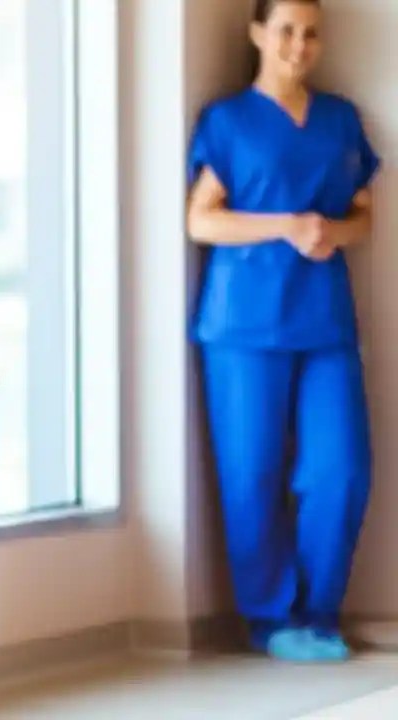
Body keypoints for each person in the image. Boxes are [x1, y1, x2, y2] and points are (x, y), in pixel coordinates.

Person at [187, 0, 382, 663]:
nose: (299, 46)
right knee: (252, 474)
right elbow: (201, 221)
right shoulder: (229, 121)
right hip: (241, 325)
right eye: (286, 31)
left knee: (342, 469)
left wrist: (334, 232)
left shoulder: (339, 121)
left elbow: (363, 218)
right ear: (258, 35)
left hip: (323, 320)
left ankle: (318, 613)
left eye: (311, 34)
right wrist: (285, 224)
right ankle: (270, 622)